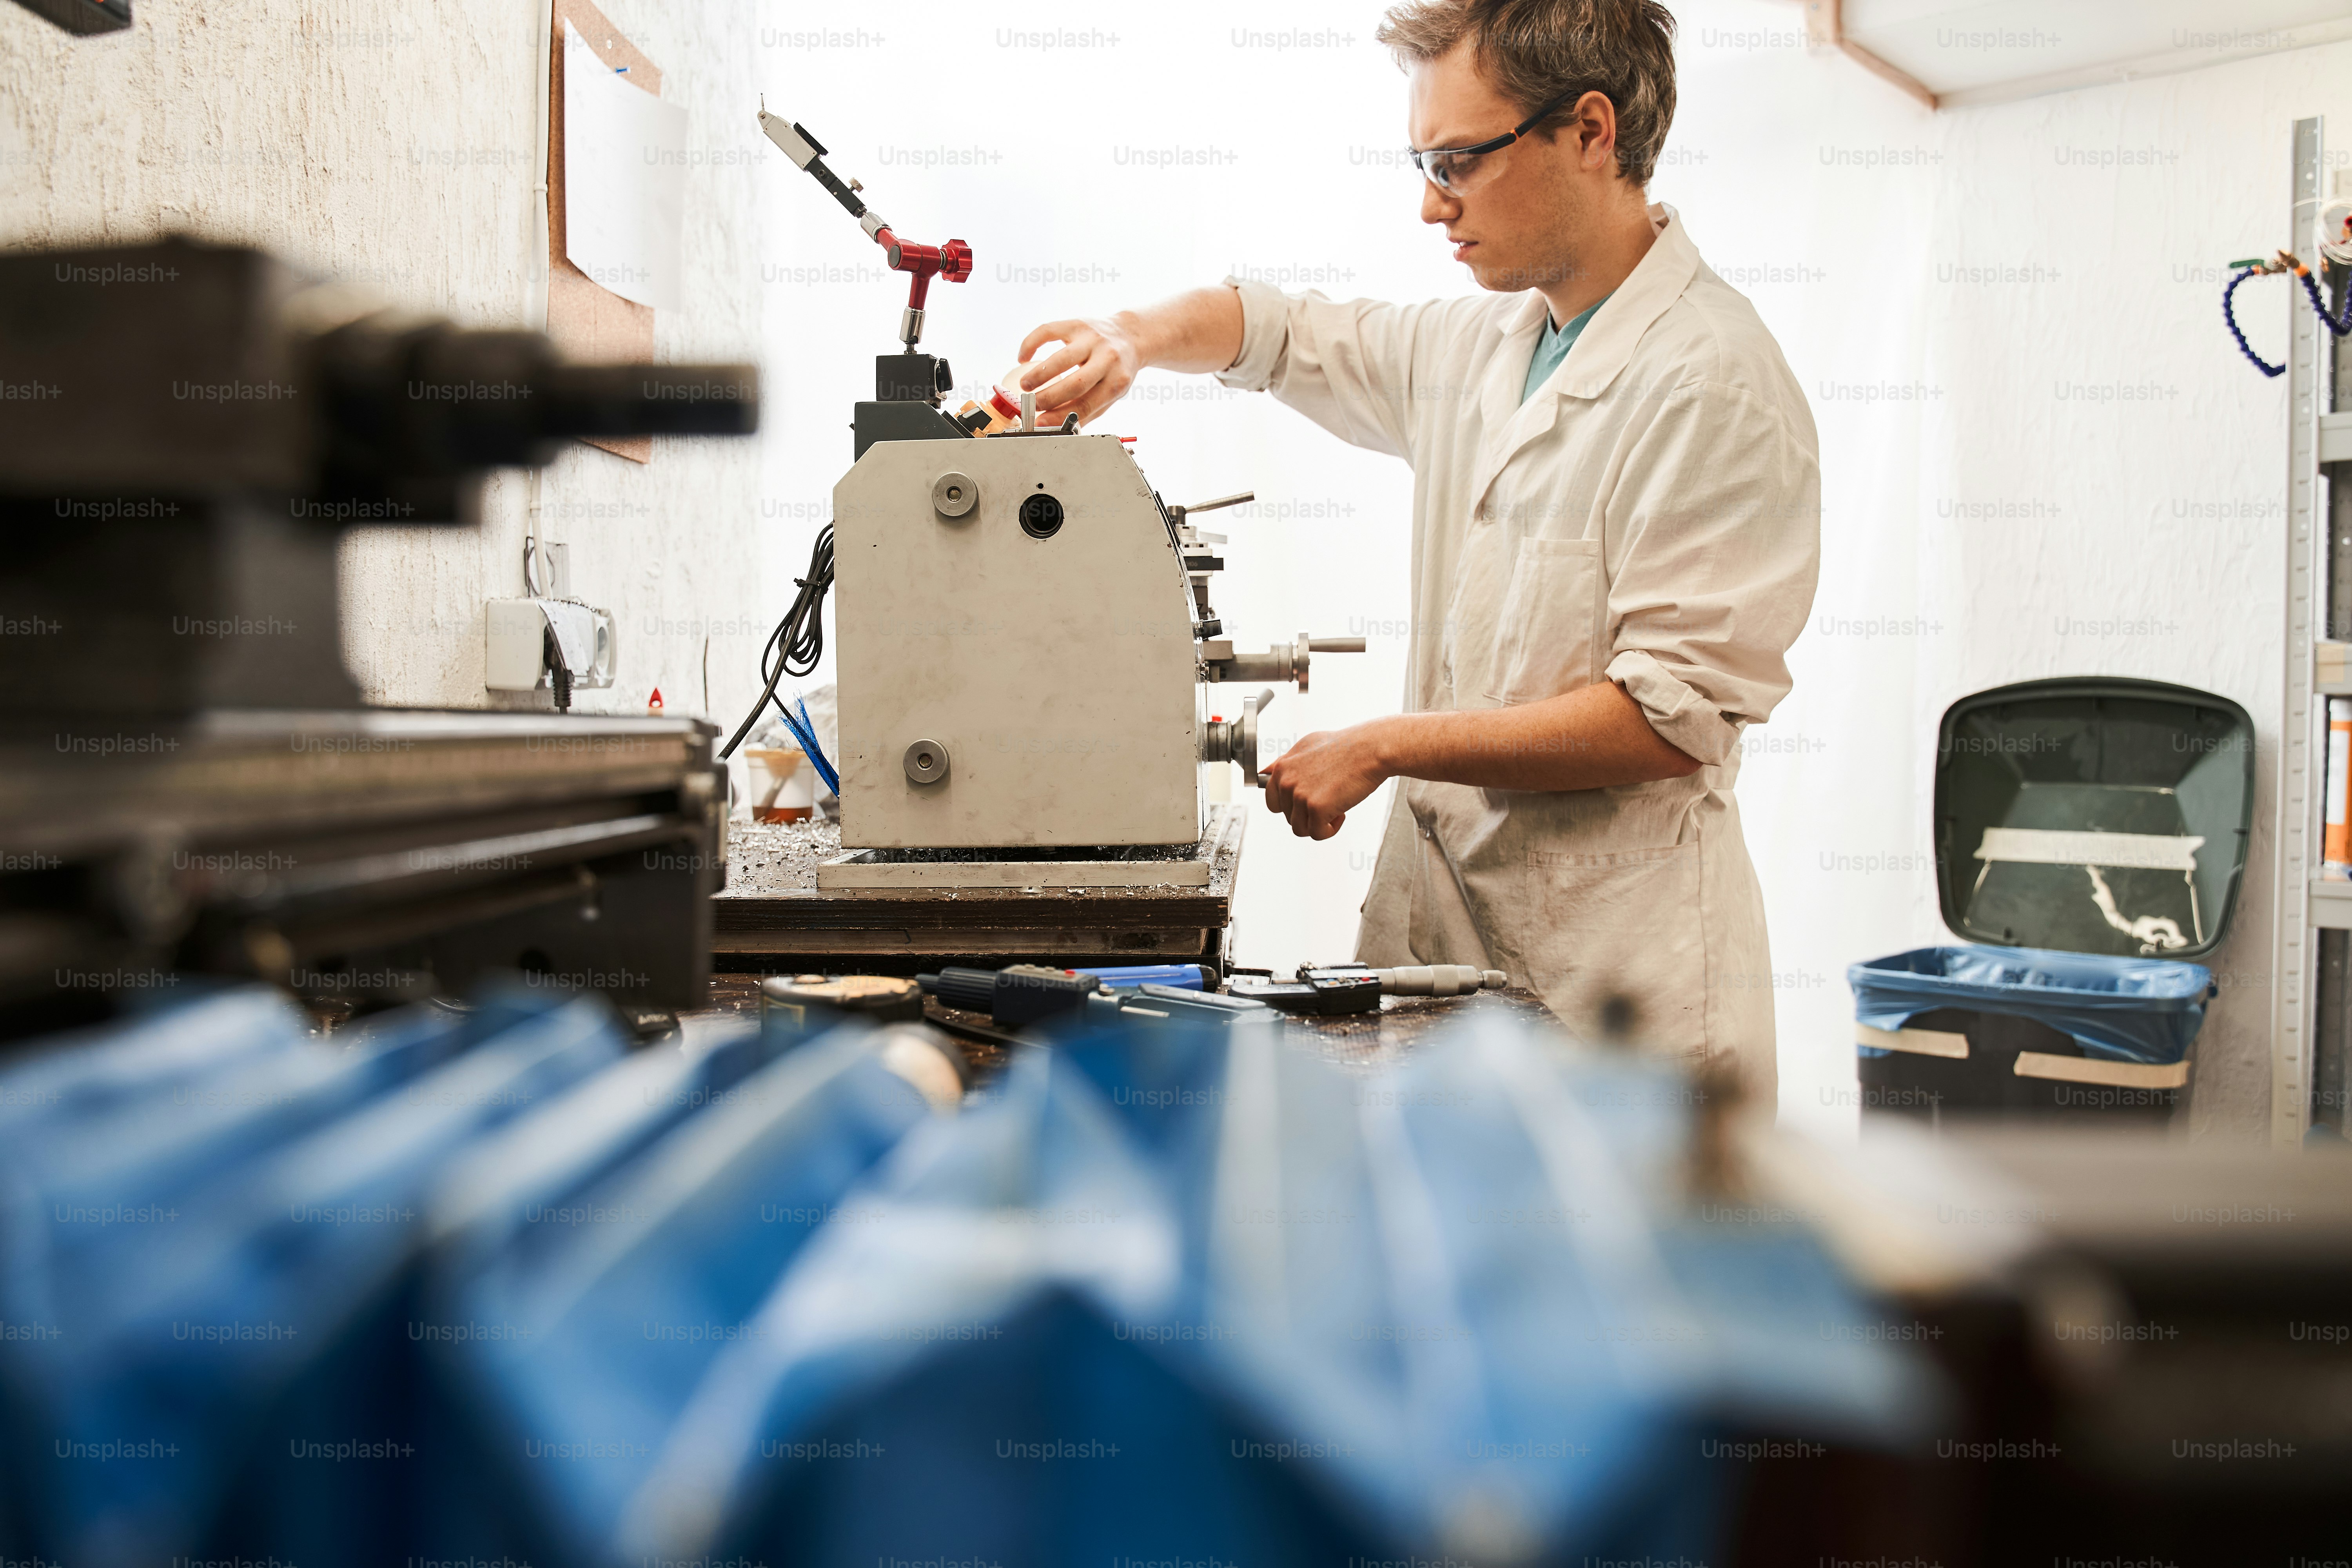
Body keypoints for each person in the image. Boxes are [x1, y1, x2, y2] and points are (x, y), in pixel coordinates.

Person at [1013, 0, 1818, 1096]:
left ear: (1591, 132)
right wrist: (1132, 338)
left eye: (1458, 162)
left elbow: (1667, 718)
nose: (1432, 203)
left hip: (1619, 991)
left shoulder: (1712, 385)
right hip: (1459, 953)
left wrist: (1386, 744)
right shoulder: (1493, 340)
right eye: (1422, 161)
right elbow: (1277, 330)